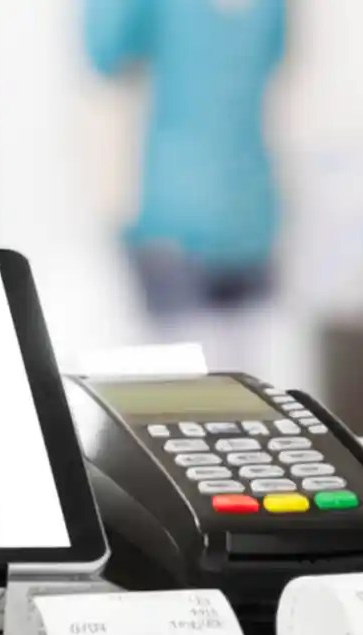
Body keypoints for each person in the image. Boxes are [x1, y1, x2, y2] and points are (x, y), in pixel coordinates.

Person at [86, 0, 286, 370]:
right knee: (240, 392)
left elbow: (104, 52)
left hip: (176, 216)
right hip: (249, 211)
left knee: (182, 393)